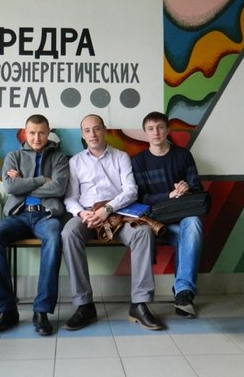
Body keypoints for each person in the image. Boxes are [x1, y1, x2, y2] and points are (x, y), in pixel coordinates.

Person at [62, 114, 163, 331]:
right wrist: (82, 214)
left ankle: (139, 304)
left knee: (143, 233)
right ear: (82, 135)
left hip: (118, 213)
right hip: (87, 216)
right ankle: (84, 305)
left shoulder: (121, 157)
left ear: (105, 130)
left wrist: (107, 209)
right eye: (87, 130)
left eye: (96, 128)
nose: (92, 134)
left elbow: (131, 191)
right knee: (68, 233)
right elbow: (70, 197)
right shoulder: (75, 162)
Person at [0, 114, 69, 336]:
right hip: (18, 216)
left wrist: (22, 183)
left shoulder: (59, 158)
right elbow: (10, 188)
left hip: (47, 216)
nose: (36, 138)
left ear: (48, 133)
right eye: (32, 133)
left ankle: (42, 311)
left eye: (41, 133)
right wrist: (41, 180)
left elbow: (58, 188)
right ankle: (6, 309)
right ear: (25, 133)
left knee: (54, 238)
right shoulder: (14, 156)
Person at [132, 111, 203, 318]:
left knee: (193, 223)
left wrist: (186, 188)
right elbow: (140, 198)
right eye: (151, 129)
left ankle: (183, 293)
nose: (156, 132)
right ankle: (183, 292)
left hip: (183, 216)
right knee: (186, 236)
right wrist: (168, 195)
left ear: (167, 130)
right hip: (155, 221)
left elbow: (197, 190)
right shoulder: (139, 161)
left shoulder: (183, 155)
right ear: (145, 133)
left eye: (160, 127)